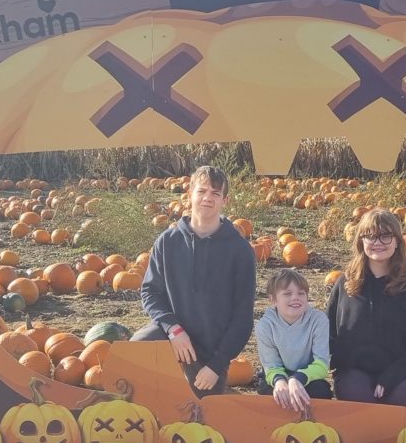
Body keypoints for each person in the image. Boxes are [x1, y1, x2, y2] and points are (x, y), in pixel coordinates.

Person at [133, 166, 256, 397]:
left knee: (202, 412)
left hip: (210, 353)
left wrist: (217, 365)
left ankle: (220, 392)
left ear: (225, 200)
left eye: (215, 193)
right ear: (190, 194)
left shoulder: (240, 251)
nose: (207, 198)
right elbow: (151, 292)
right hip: (174, 336)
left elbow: (243, 318)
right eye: (201, 191)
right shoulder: (167, 242)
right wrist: (173, 328)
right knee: (137, 350)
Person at [326, 209, 406, 406]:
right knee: (360, 402)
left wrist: (391, 377)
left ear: (397, 241)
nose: (377, 242)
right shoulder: (345, 283)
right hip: (353, 371)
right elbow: (328, 333)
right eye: (370, 236)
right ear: (361, 241)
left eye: (385, 236)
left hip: (400, 371)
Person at [255, 268, 332, 412]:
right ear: (273, 300)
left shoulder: (319, 320)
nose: (295, 298)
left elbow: (322, 364)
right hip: (279, 373)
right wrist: (279, 381)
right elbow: (271, 365)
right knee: (269, 391)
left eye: (301, 293)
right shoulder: (264, 326)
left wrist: (297, 379)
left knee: (320, 391)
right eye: (287, 294)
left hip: (308, 375)